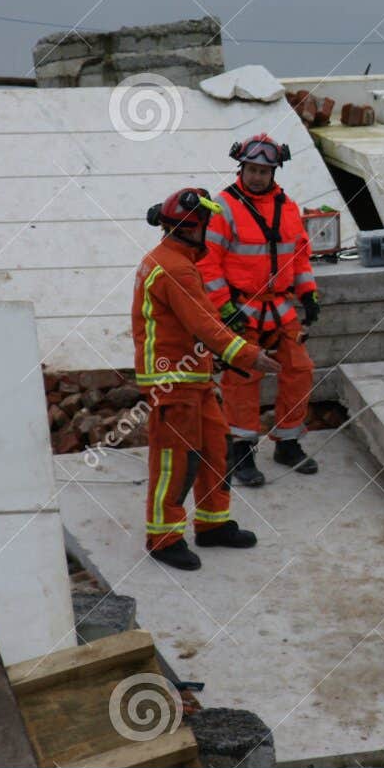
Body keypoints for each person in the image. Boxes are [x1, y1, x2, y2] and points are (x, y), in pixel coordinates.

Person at [134, 187, 280, 571]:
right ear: (189, 227)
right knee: (175, 462)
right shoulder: (175, 268)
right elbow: (205, 327)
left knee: (217, 449)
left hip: (191, 377)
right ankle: (163, 538)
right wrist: (251, 356)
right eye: (206, 226)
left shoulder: (176, 260)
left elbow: (205, 322)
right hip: (172, 382)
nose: (211, 232)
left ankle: (213, 524)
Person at [199, 132, 321, 485]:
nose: (257, 176)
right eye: (251, 169)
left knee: (300, 368)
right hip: (242, 307)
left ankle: (287, 442)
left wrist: (308, 293)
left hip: (280, 307)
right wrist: (225, 308)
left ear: (274, 172)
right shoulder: (223, 207)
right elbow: (208, 264)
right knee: (242, 378)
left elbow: (299, 257)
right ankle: (242, 451)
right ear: (242, 168)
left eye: (263, 171)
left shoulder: (289, 208)